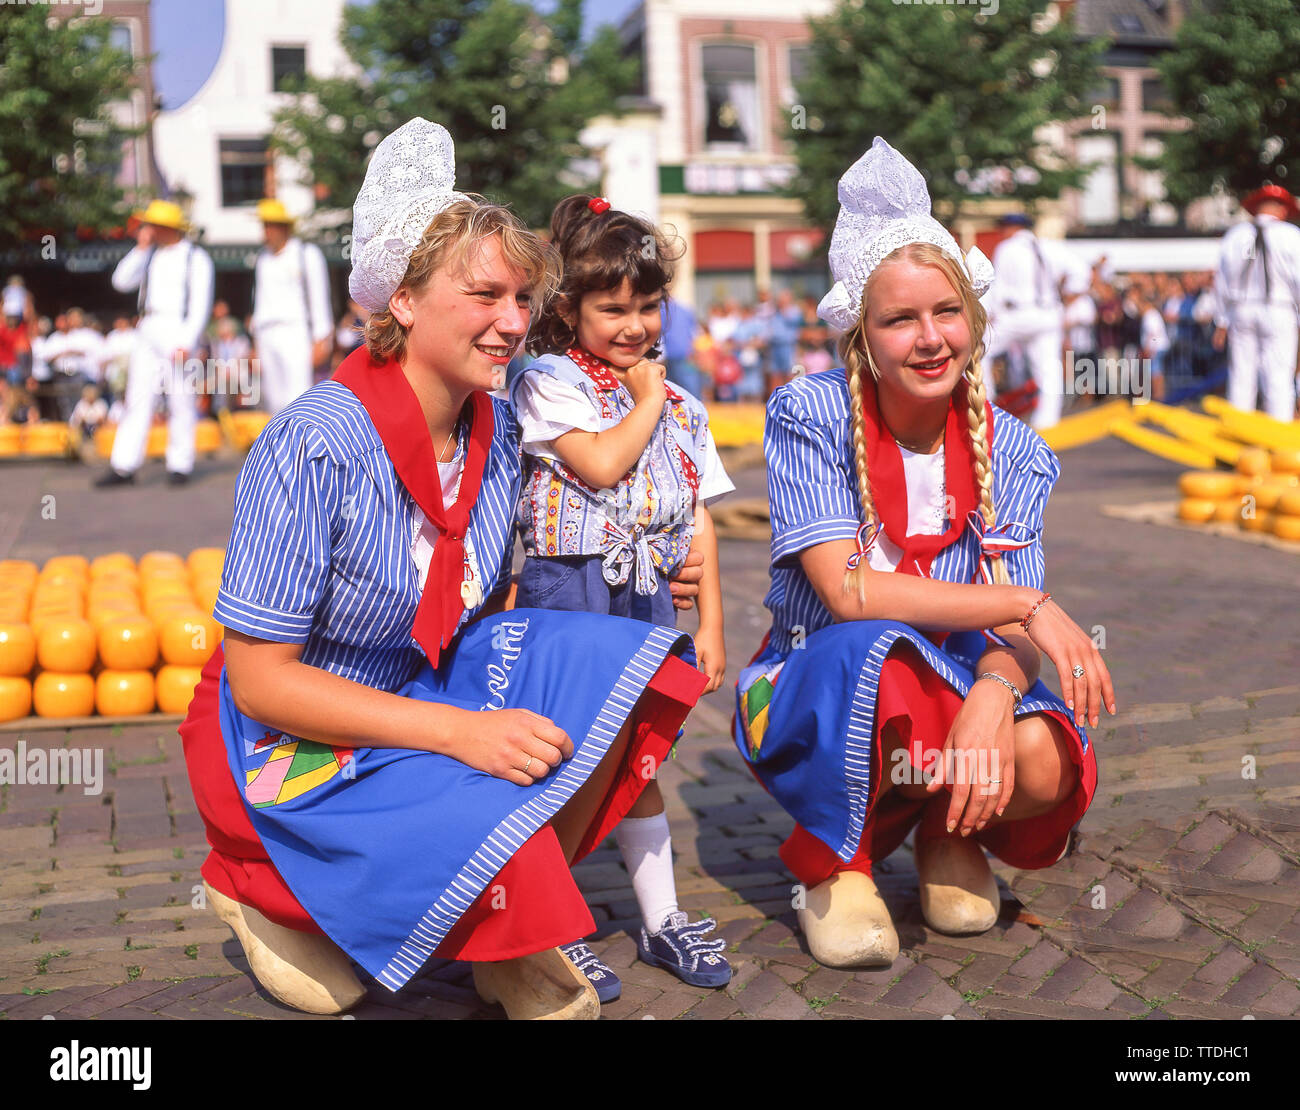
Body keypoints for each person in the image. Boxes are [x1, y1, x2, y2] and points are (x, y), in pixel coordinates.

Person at [179, 119, 710, 1021]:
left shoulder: (496, 428)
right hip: (303, 732)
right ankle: (269, 888)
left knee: (626, 666)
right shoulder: (313, 443)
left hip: (419, 693)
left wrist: (662, 558)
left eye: (521, 299)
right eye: (486, 296)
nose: (514, 324)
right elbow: (262, 681)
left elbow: (499, 583)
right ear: (403, 300)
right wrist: (460, 733)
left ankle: (476, 907)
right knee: (492, 774)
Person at [734, 137, 1114, 969]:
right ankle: (837, 861)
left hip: (950, 688)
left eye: (945, 313)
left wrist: (991, 692)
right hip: (820, 682)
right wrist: (1025, 605)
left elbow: (1015, 638)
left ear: (974, 321)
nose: (930, 337)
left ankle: (948, 833)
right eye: (900, 319)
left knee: (1046, 758)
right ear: (861, 336)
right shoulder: (810, 415)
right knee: (878, 649)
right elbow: (851, 594)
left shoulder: (1012, 448)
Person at [509, 194, 733, 1000]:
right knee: (570, 758)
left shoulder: (683, 406)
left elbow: (698, 512)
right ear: (569, 308)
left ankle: (661, 916)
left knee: (639, 758)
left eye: (648, 305)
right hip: (570, 598)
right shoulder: (548, 382)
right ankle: (549, 922)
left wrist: (709, 622)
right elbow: (600, 466)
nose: (634, 324)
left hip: (645, 600)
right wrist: (644, 400)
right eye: (613, 309)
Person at [96, 199, 214, 486]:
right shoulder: (149, 255)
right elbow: (121, 281)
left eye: (153, 225)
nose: (148, 229)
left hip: (178, 326)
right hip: (148, 326)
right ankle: (124, 465)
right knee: (137, 397)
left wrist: (188, 339)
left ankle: (180, 464)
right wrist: (140, 248)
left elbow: (201, 303)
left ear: (168, 227)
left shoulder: (195, 257)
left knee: (180, 398)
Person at [1212, 184, 1300, 421]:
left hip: (1242, 309)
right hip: (1279, 309)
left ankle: (1239, 431)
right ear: (1282, 210)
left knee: (1242, 374)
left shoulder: (1236, 235)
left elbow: (1221, 281)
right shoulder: (1291, 235)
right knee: (1279, 375)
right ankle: (1277, 432)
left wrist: (1222, 320)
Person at [984, 213, 1068, 429]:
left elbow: (998, 286)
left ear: (1013, 228)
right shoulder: (1049, 247)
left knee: (979, 349)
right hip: (1047, 315)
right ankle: (1047, 422)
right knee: (1049, 369)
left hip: (1017, 315)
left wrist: (990, 312)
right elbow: (1081, 275)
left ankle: (985, 403)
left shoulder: (1007, 248)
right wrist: (1067, 299)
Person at [251, 199, 334, 414]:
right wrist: (256, 341)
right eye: (265, 225)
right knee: (273, 400)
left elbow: (319, 298)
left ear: (284, 227)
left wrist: (321, 338)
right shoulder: (262, 259)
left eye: (270, 225)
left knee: (298, 397)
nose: (266, 231)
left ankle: (302, 446)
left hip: (295, 331)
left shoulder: (306, 254)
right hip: (267, 332)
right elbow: (259, 302)